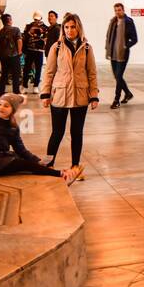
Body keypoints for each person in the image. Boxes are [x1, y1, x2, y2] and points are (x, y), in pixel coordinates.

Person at [40, 12, 99, 183]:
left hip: (80, 95)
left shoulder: (87, 48)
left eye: (73, 27)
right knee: (57, 132)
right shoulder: (56, 47)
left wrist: (94, 96)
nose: (69, 30)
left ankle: (75, 167)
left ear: (78, 28)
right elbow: (49, 72)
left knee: (76, 133)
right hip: (60, 94)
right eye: (66, 27)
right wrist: (45, 93)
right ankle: (49, 165)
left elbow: (92, 73)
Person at [0, 93, 67, 181]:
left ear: (13, 110)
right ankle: (59, 174)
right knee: (26, 165)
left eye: (6, 106)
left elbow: (20, 149)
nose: (1, 107)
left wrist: (36, 160)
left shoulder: (13, 127)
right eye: (0, 104)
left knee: (24, 160)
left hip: (2, 159)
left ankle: (45, 168)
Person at [104, 2, 138, 109]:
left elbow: (135, 39)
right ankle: (128, 93)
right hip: (113, 53)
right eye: (116, 10)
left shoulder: (128, 22)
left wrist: (125, 46)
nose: (117, 12)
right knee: (117, 76)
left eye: (119, 10)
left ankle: (116, 100)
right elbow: (108, 36)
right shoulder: (113, 21)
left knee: (118, 76)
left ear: (123, 10)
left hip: (122, 53)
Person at [0, 13, 23, 93]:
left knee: (4, 74)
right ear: (10, 20)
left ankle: (1, 92)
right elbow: (19, 40)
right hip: (14, 55)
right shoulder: (16, 29)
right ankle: (16, 91)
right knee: (15, 74)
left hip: (4, 57)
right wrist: (19, 52)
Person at [22, 13, 48, 88]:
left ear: (41, 18)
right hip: (29, 50)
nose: (36, 21)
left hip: (39, 50)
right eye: (35, 19)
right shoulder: (29, 26)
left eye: (38, 19)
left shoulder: (45, 27)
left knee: (38, 68)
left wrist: (41, 34)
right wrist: (30, 32)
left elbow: (46, 39)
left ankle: (36, 85)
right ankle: (24, 85)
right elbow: (24, 38)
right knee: (26, 68)